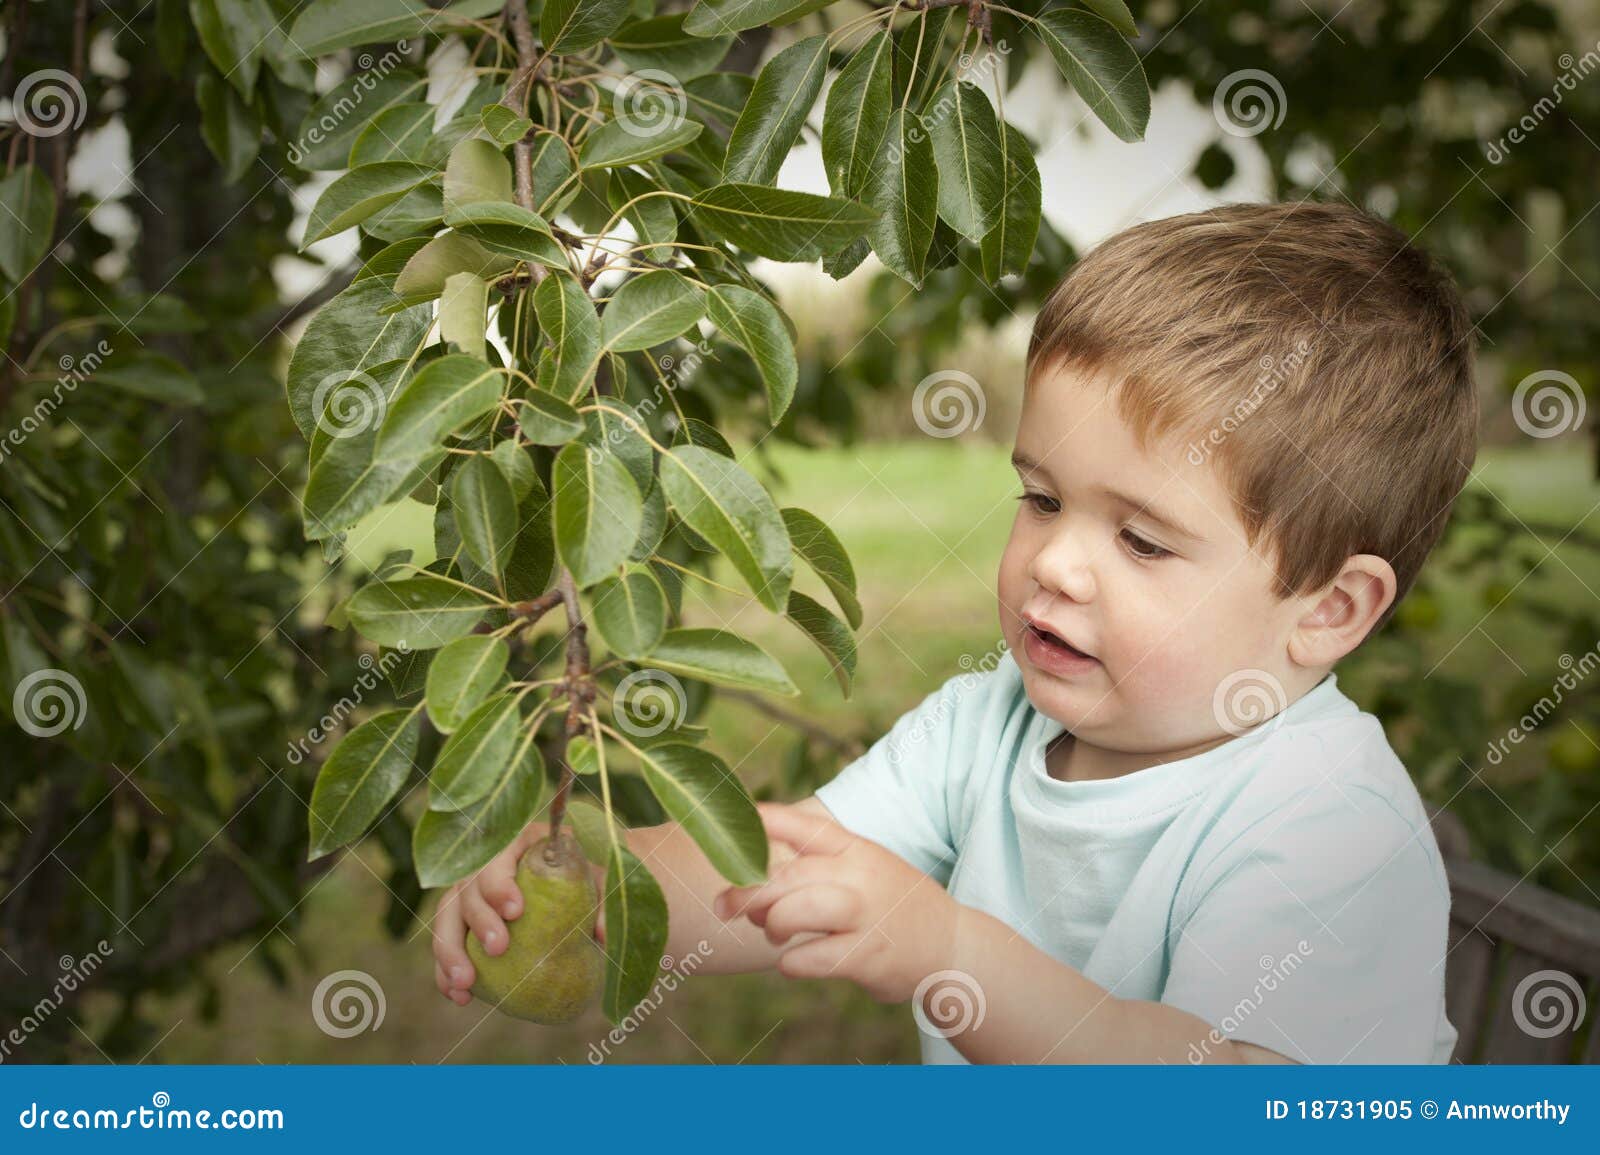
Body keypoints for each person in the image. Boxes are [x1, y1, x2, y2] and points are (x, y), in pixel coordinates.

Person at [432, 200, 1478, 1064]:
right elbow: (777, 873)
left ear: (1327, 610)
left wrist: (945, 951)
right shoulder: (985, 724)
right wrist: (600, 881)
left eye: (1144, 542)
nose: (1055, 563)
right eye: (1041, 498)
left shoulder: (1326, 822)